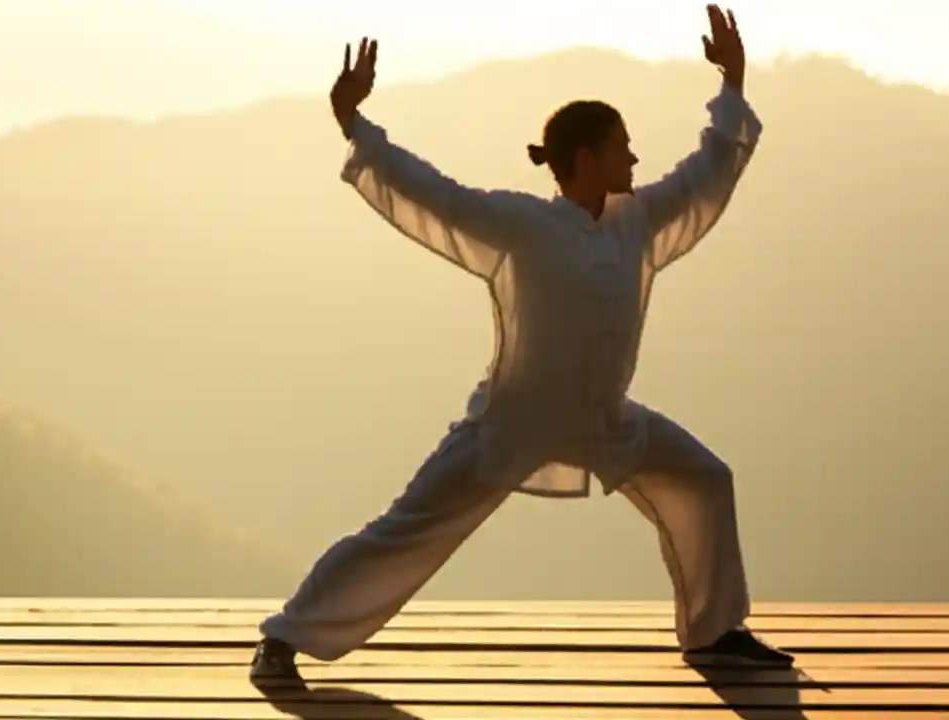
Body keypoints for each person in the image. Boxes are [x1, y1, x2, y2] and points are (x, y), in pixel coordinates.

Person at [251, 4, 792, 685]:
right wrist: (353, 124)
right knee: (409, 525)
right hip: (513, 424)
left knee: (705, 480)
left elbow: (708, 171)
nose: (633, 156)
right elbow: (435, 194)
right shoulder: (524, 223)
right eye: (622, 145)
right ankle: (285, 637)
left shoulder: (640, 219)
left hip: (608, 420)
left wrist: (733, 84)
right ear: (587, 157)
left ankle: (715, 633)